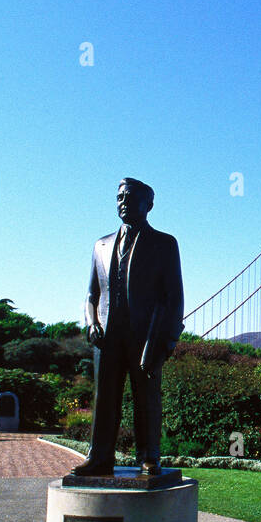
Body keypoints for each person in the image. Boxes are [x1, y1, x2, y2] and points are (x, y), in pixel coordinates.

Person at [72, 178, 183, 477]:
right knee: (104, 399)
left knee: (146, 399)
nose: (123, 202)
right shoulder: (100, 245)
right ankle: (99, 458)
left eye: (131, 198)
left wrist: (167, 342)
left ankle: (149, 457)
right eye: (120, 196)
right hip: (107, 338)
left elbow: (174, 298)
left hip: (146, 337)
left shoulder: (164, 244)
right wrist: (91, 322)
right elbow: (91, 294)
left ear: (149, 205)